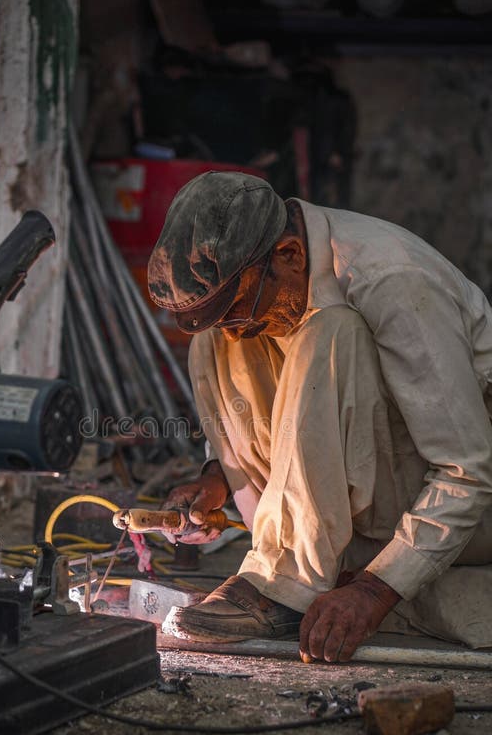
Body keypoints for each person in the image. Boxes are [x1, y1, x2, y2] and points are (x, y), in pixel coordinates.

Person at [147, 171, 492, 662]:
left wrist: (376, 590)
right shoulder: (279, 278)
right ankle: (281, 558)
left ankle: (284, 584)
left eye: (245, 311)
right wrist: (219, 478)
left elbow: (469, 472)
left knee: (330, 333)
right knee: (213, 340)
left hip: (472, 515)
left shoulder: (393, 280)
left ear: (290, 253)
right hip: (369, 504)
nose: (241, 333)